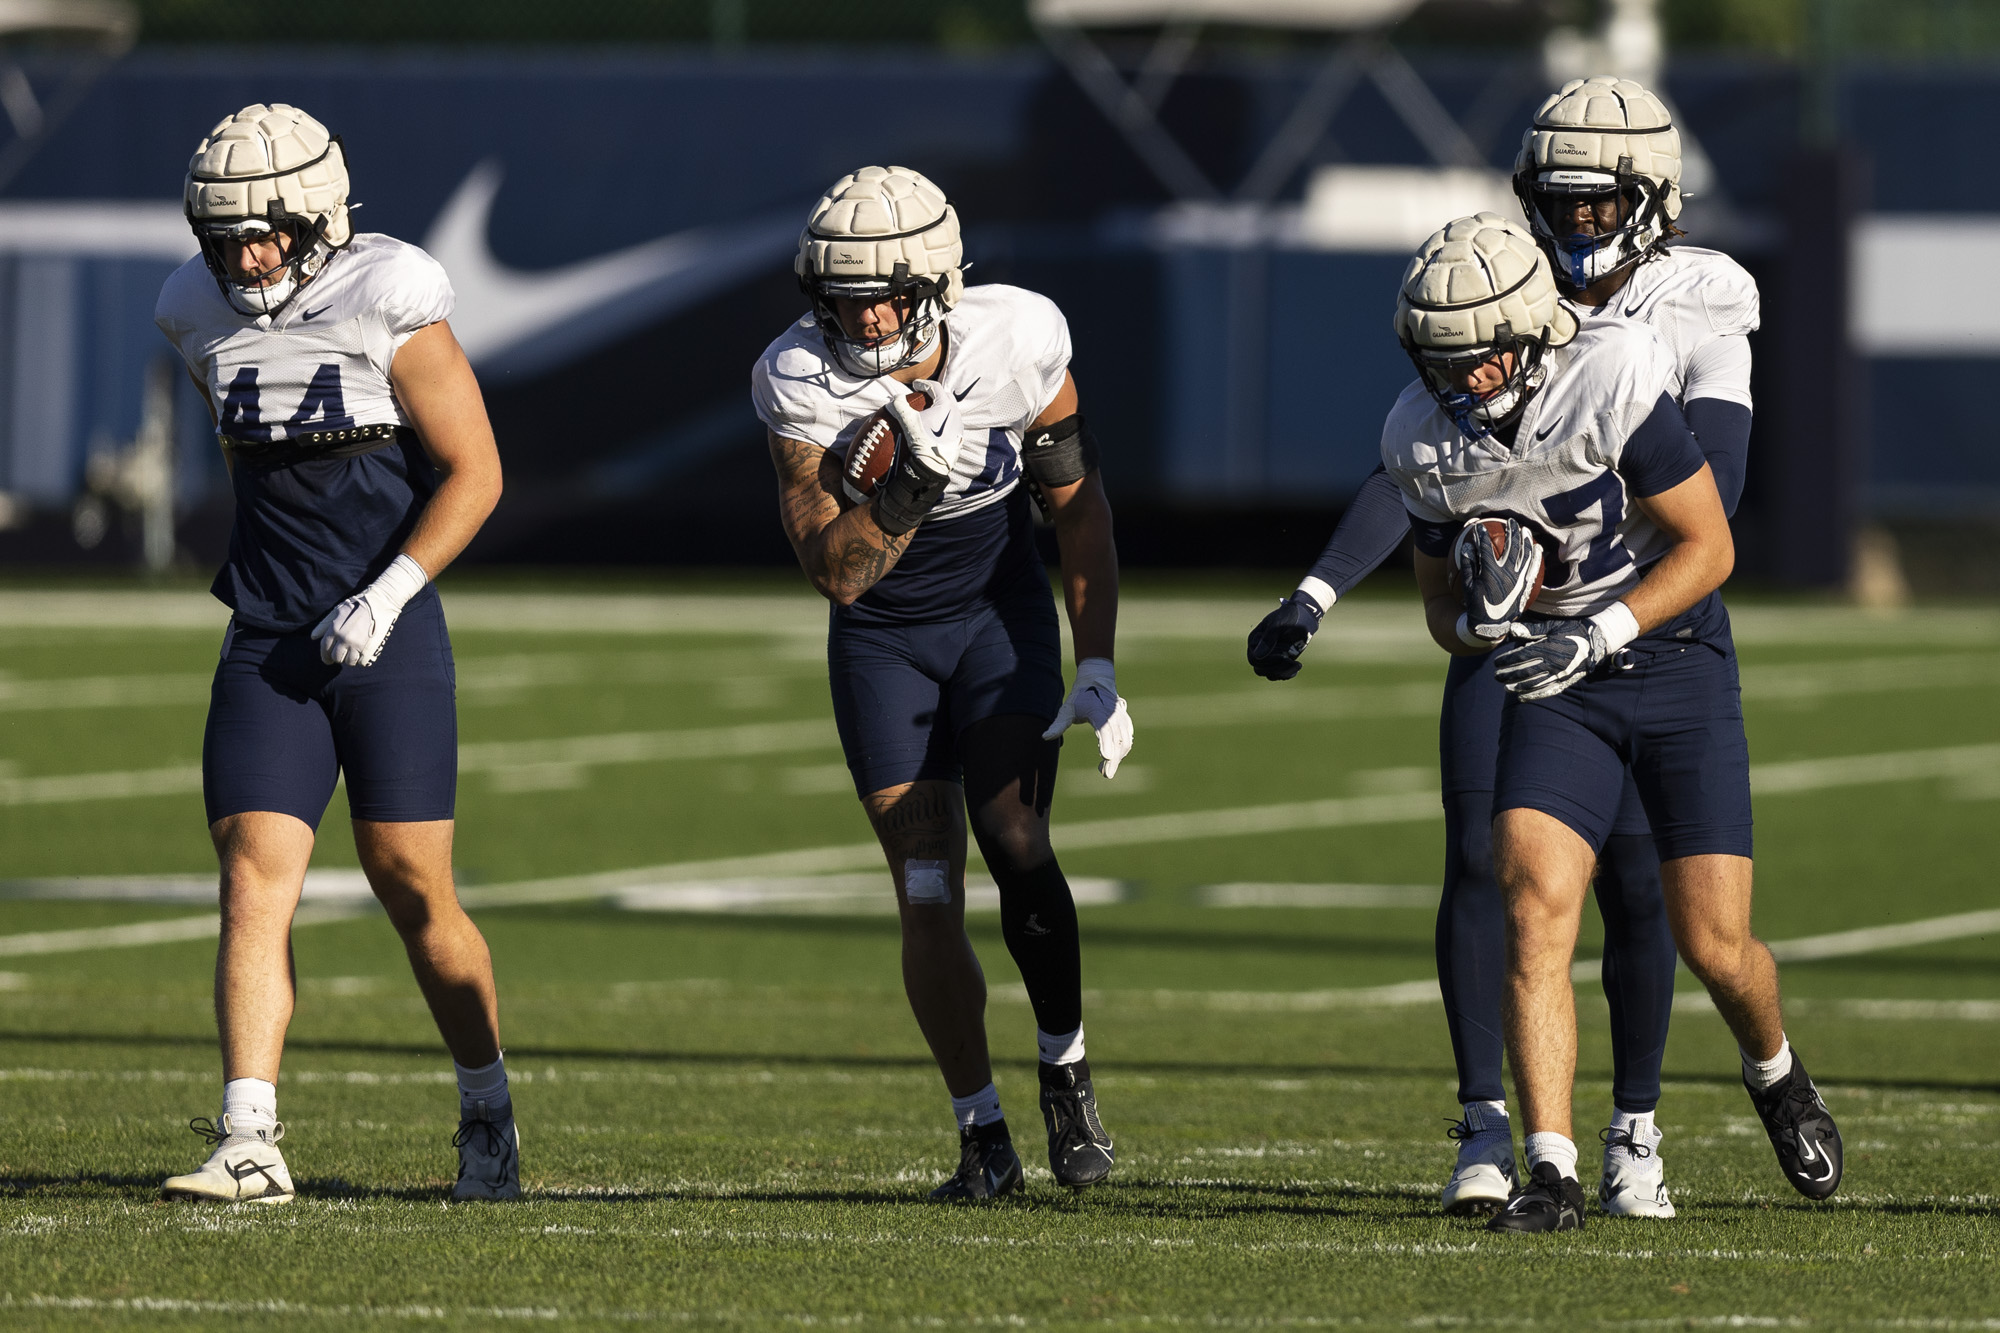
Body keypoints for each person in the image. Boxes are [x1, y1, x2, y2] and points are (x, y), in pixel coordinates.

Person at [1246, 76, 1757, 1219]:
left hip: (1632, 614)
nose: (1572, 222)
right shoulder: (1489, 284)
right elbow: (1416, 467)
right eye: (1555, 200)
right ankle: (1489, 1125)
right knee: (1487, 862)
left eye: (1595, 201)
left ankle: (1633, 1128)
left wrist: (1588, 563)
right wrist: (1317, 594)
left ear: (1650, 196)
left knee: (1640, 883)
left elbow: (1711, 494)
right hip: (1511, 618)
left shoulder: (1696, 296)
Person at [1380, 212, 1840, 1233]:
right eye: (1442, 357)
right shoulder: (1418, 432)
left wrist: (1601, 629)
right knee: (1533, 902)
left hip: (1672, 661)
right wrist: (1479, 621)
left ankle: (1772, 1068)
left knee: (1714, 942)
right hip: (1558, 683)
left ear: (1531, 330)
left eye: (1480, 351)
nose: (1462, 376)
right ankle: (1550, 1170)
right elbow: (1437, 612)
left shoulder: (1612, 370)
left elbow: (1710, 546)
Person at [152, 103, 517, 1204]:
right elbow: (250, 458)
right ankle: (249, 1136)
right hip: (269, 633)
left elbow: (477, 471)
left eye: (262, 235)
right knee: (252, 878)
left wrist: (388, 591)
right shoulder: (190, 308)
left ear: (317, 219)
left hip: (386, 633)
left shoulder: (386, 291)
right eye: (224, 239)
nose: (244, 260)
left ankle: (487, 1105)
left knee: (414, 888)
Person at [751, 165, 1130, 1201]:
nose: (865, 316)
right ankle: (981, 1135)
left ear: (937, 284)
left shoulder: (1016, 336)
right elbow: (836, 574)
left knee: (1015, 835)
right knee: (925, 890)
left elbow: (1077, 505)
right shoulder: (795, 376)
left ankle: (1064, 1065)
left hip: (996, 611)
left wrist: (1096, 658)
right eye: (845, 296)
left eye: (887, 293)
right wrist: (907, 489)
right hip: (883, 638)